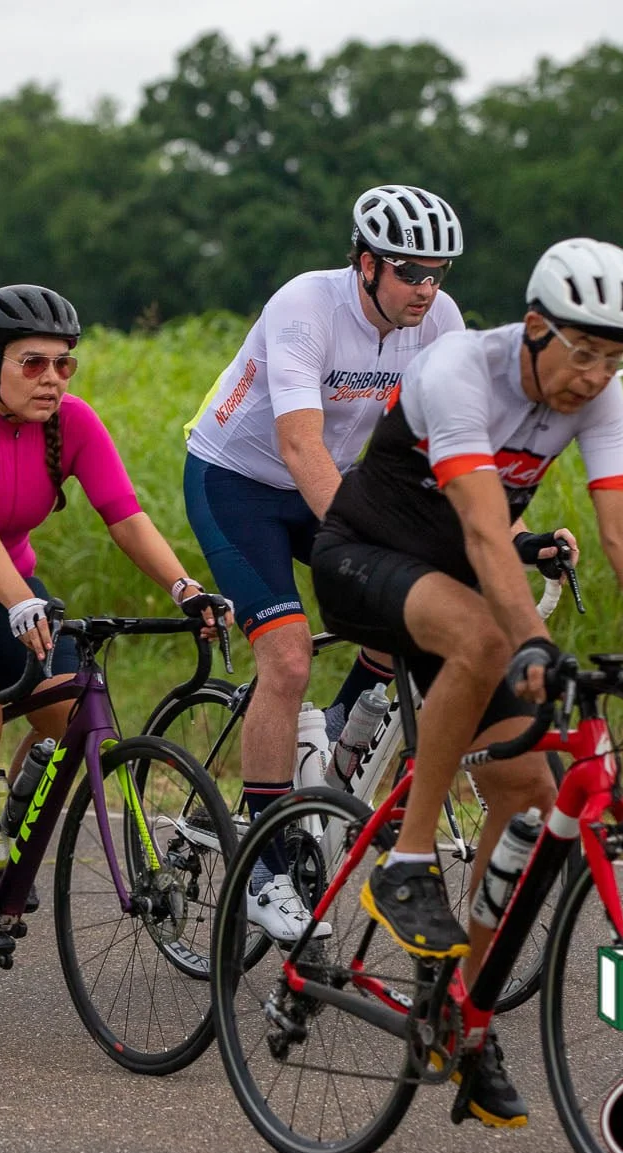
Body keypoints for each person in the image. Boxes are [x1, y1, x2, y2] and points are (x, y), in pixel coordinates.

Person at [310, 238, 623, 1127]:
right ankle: (404, 862)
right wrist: (532, 640)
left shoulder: (597, 395)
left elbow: (622, 526)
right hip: (365, 558)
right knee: (485, 634)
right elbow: (481, 533)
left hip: (457, 582)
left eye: (614, 358)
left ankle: (463, 1021)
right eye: (583, 352)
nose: (596, 375)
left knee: (528, 796)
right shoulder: (460, 372)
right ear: (537, 327)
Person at [0, 284, 223, 961]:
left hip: (4, 584)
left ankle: (7, 836)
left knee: (70, 715)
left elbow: (126, 517)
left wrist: (184, 587)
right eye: (33, 363)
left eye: (63, 364)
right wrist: (19, 599)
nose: (52, 378)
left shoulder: (73, 424)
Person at [180, 184, 465, 943]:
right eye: (410, 271)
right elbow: (299, 445)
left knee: (414, 605)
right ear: (366, 264)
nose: (426, 288)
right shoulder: (305, 307)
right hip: (239, 481)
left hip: (335, 483)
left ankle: (344, 736)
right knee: (287, 656)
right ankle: (264, 864)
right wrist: (371, 542)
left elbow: (454, 442)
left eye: (438, 272)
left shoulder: (439, 320)